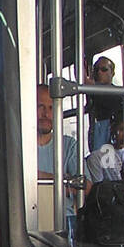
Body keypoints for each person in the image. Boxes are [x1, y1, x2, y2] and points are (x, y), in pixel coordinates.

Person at [37, 84, 79, 219]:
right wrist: (63, 180)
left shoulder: (69, 145)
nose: (46, 114)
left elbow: (86, 187)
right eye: (40, 107)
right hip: (27, 221)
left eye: (51, 108)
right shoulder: (17, 144)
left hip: (65, 220)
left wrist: (38, 177)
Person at [87, 55, 118, 150]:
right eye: (96, 70)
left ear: (112, 73)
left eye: (104, 70)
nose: (99, 73)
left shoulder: (113, 93)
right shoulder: (95, 93)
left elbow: (85, 82)